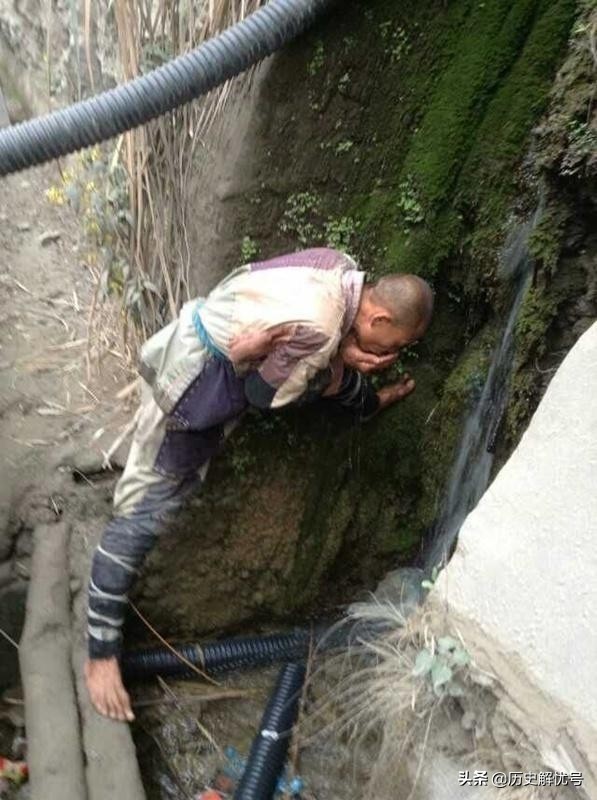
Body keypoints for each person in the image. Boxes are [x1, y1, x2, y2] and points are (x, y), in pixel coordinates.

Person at [84, 247, 434, 721]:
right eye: (394, 343)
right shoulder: (324, 327)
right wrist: (338, 360)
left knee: (156, 489)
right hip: (190, 389)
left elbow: (305, 352)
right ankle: (101, 654)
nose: (393, 354)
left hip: (190, 343)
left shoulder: (338, 267)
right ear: (377, 319)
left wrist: (351, 379)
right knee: (145, 512)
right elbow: (262, 395)